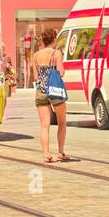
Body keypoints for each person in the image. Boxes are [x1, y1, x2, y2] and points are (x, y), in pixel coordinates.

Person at [32, 27, 70, 163]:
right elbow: (61, 72)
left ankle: (46, 154)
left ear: (43, 39)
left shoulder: (36, 55)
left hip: (41, 91)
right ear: (54, 39)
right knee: (62, 122)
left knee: (44, 125)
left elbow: (36, 77)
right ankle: (60, 152)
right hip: (55, 91)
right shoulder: (56, 53)